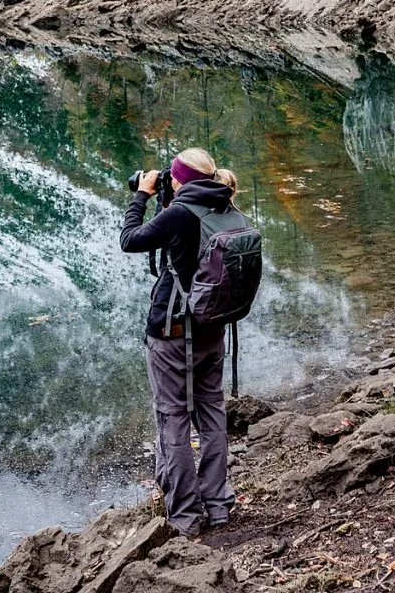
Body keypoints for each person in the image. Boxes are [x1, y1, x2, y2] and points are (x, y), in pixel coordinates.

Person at [120, 146, 237, 536]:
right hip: (212, 329)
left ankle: (185, 516)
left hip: (172, 333)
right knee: (212, 413)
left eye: (170, 177)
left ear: (178, 179)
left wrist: (141, 196)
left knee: (173, 419)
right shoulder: (225, 205)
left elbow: (130, 240)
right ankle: (218, 505)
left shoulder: (178, 214)